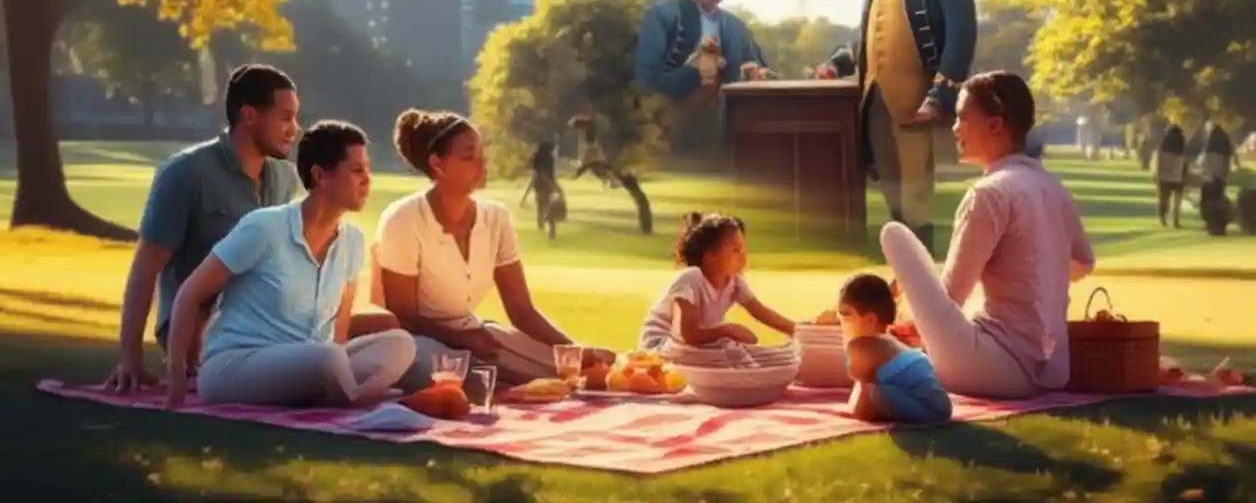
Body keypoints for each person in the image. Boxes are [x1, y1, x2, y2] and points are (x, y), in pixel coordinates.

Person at [165, 121, 416, 408]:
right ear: (320, 176)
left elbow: (339, 330)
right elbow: (190, 294)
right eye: (357, 170)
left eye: (368, 170)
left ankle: (343, 393)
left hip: (312, 360)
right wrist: (177, 373)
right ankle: (357, 397)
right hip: (236, 366)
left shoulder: (352, 240)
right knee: (327, 358)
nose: (367, 180)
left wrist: (337, 363)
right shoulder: (264, 228)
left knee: (400, 343)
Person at [881, 71, 1095, 398]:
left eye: (963, 118)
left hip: (997, 368)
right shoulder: (1052, 186)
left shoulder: (988, 194)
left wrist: (908, 320)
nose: (954, 128)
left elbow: (950, 295)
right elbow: (1083, 261)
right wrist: (1037, 273)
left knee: (893, 235)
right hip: (1053, 371)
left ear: (995, 125)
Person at [374, 109, 616, 388]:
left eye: (481, 153)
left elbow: (522, 311)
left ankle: (513, 378)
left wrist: (575, 351)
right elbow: (403, 317)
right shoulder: (403, 220)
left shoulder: (495, 218)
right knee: (477, 377)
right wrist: (461, 339)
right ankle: (497, 382)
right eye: (468, 156)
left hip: (477, 335)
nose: (482, 163)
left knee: (590, 364)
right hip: (421, 344)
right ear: (437, 164)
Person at [105, 64, 302, 394]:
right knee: (316, 363)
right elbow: (145, 267)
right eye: (285, 117)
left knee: (376, 331)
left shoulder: (285, 178)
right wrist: (130, 358)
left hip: (264, 317)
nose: (294, 129)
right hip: (199, 325)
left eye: (295, 117)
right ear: (249, 116)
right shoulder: (185, 173)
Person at [820, 0, 977, 253]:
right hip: (875, 98)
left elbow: (962, 31)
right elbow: (871, 28)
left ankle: (923, 285)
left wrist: (939, 96)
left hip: (916, 99)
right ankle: (901, 275)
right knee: (892, 193)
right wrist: (841, 62)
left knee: (915, 197)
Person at [638, 212, 795, 352]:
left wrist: (798, 330)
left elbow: (760, 312)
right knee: (726, 351)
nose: (743, 255)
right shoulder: (690, 279)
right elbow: (685, 334)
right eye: (735, 249)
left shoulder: (734, 281)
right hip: (661, 346)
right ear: (710, 255)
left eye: (743, 248)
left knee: (735, 352)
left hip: (695, 344)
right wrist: (728, 330)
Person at [634, 0, 773, 106]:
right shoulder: (662, 15)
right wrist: (694, 70)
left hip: (731, 113)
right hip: (677, 115)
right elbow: (647, 80)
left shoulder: (735, 26)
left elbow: (755, 66)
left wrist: (754, 73)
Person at [836, 273, 951, 424]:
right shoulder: (890, 342)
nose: (841, 322)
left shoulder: (861, 347)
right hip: (940, 405)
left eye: (846, 315)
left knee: (868, 393)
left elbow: (858, 380)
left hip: (928, 410)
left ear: (870, 319)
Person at [1154, 124, 1188, 228]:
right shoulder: (1182, 146)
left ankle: (1163, 217)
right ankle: (1175, 220)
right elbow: (1185, 162)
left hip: (1164, 176)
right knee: (1177, 200)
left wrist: (1157, 174)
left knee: (1163, 199)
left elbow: (1157, 162)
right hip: (1177, 176)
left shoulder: (1163, 145)